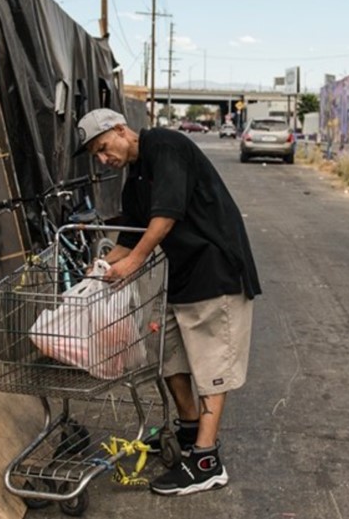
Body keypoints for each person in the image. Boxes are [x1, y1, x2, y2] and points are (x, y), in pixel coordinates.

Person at [75, 108, 261, 496]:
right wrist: (97, 271)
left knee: (212, 365)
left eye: (104, 147)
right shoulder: (135, 180)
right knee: (167, 353)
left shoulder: (165, 145)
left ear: (121, 130)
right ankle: (190, 430)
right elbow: (130, 237)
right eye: (96, 155)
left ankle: (206, 461)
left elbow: (166, 216)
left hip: (216, 270)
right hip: (183, 276)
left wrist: (132, 263)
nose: (103, 159)